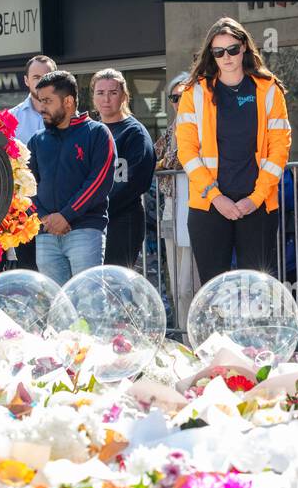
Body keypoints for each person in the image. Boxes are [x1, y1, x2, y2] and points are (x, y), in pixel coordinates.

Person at [176, 17, 292, 284]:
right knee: (213, 289)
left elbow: (279, 149)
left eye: (232, 49)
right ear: (211, 55)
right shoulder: (194, 93)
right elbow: (187, 151)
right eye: (218, 52)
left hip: (258, 205)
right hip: (209, 205)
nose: (226, 57)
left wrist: (256, 198)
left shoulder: (268, 89)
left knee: (257, 288)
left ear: (244, 48)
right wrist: (217, 197)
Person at [29, 70, 115, 285]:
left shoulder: (97, 133)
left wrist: (66, 215)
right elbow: (27, 185)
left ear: (68, 101)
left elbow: (99, 181)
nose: (42, 107)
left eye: (48, 101)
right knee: (56, 303)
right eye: (40, 101)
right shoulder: (37, 140)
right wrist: (43, 217)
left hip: (85, 230)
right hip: (46, 233)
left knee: (88, 301)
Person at [92, 68, 156, 270]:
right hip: (91, 222)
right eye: (100, 93)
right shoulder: (90, 132)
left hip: (123, 221)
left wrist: (97, 208)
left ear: (124, 96)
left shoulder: (134, 133)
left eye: (113, 92)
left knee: (116, 285)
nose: (106, 99)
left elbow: (137, 182)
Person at [155, 74, 201, 324]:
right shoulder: (171, 129)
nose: (179, 101)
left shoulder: (201, 124)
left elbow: (180, 158)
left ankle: (195, 342)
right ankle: (184, 340)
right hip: (172, 207)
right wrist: (163, 162)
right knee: (176, 287)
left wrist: (163, 162)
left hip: (196, 207)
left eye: (185, 95)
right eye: (174, 97)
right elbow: (153, 156)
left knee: (189, 287)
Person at [6, 55, 57, 271]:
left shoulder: (69, 117)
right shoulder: (11, 119)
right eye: (36, 77)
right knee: (29, 275)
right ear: (26, 80)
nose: (41, 81)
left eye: (46, 76)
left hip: (61, 211)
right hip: (24, 214)